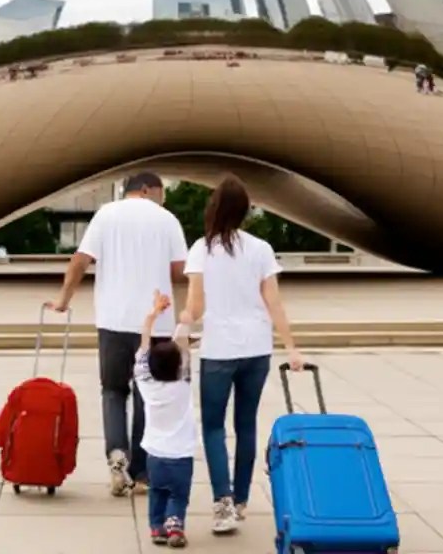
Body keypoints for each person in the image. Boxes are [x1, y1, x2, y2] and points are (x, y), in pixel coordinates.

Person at [48, 171, 188, 497]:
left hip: (112, 320)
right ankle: (141, 473)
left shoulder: (105, 215)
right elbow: (179, 272)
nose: (163, 198)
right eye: (161, 192)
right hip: (156, 324)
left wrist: (63, 300)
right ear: (148, 189)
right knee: (146, 395)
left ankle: (116, 453)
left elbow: (80, 261)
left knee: (112, 391)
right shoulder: (166, 219)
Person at [180, 175, 304, 534]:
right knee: (246, 424)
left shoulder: (201, 249)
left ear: (214, 208)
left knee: (214, 427)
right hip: (257, 348)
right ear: (245, 210)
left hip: (219, 349)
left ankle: (223, 504)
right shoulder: (261, 249)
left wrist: (182, 327)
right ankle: (242, 499)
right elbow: (274, 302)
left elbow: (196, 306)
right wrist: (291, 347)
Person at [135, 290, 194, 548]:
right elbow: (183, 345)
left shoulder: (146, 383)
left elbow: (144, 343)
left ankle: (156, 527)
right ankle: (174, 525)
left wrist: (153, 313)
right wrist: (184, 320)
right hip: (181, 454)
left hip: (155, 453)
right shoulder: (183, 383)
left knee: (157, 492)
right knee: (178, 495)